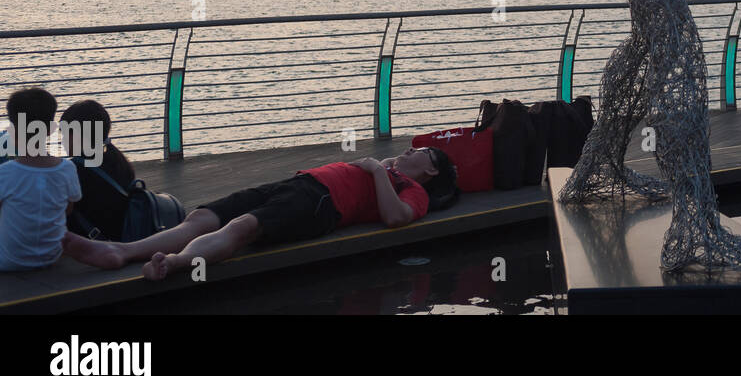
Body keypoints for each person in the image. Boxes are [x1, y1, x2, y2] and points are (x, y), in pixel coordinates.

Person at [64, 146, 457, 281]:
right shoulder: (393, 168)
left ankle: (176, 262)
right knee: (201, 217)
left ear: (432, 168)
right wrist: (384, 165)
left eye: (419, 152)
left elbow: (396, 218)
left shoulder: (414, 190)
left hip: (321, 204)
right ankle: (122, 251)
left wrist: (375, 169)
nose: (410, 150)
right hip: (298, 184)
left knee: (243, 227)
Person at [0, 89, 81, 272]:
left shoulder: (5, 173)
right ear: (51, 129)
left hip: (7, 261)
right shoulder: (67, 169)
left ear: (13, 130)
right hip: (51, 256)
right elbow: (68, 208)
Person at [60, 100, 136, 240]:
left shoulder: (74, 169)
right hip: (121, 232)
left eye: (65, 134)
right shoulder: (117, 158)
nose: (62, 140)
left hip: (92, 240)